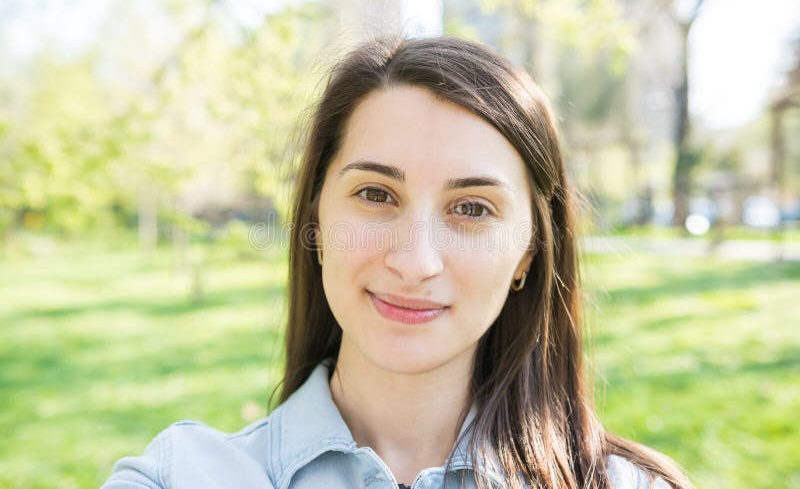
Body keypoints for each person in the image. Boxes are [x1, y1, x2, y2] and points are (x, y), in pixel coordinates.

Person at [102, 36, 691, 489]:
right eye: (377, 195)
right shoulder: (182, 477)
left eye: (472, 208)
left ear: (529, 253)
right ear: (317, 219)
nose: (415, 261)